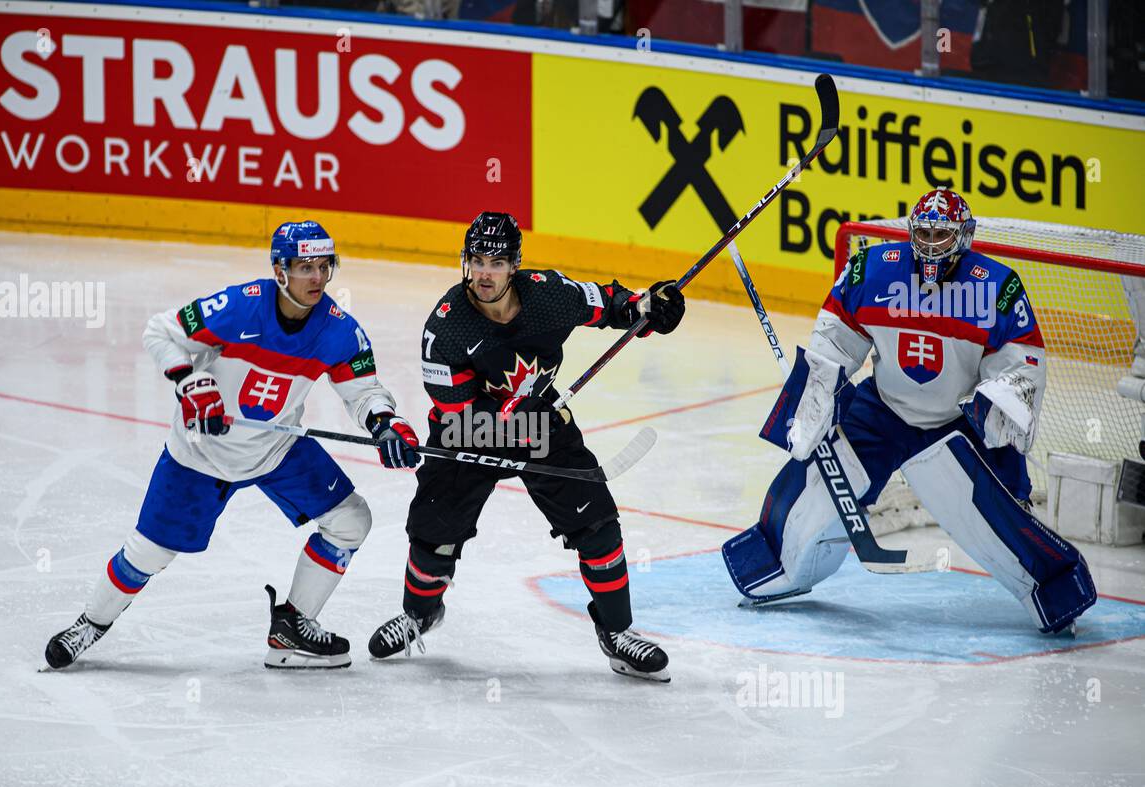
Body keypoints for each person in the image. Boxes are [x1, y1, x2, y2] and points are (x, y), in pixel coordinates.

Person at [44, 221, 421, 670]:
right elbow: (161, 332)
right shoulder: (241, 307)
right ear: (280, 271)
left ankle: (291, 632)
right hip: (201, 451)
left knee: (350, 520)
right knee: (148, 553)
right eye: (305, 267)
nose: (317, 278)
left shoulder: (339, 330)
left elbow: (363, 391)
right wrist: (190, 380)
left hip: (275, 447)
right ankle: (90, 623)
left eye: (324, 267)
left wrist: (384, 423)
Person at [722, 188, 1095, 634]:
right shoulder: (872, 269)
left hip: (958, 419)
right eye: (924, 232)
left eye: (942, 234)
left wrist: (1000, 404)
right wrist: (817, 394)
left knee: (996, 517)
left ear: (965, 236)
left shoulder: (996, 286)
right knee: (814, 486)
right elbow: (835, 341)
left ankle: (1055, 589)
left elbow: (1024, 361)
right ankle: (774, 563)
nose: (932, 242)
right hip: (883, 411)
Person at [367, 211, 686, 681]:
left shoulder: (549, 294)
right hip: (466, 434)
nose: (483, 273)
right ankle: (420, 614)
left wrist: (648, 309)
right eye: (475, 260)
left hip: (541, 424)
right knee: (435, 534)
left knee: (597, 526)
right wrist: (503, 421)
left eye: (495, 262)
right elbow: (457, 411)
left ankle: (617, 634)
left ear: (514, 265)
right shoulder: (447, 327)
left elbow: (611, 306)